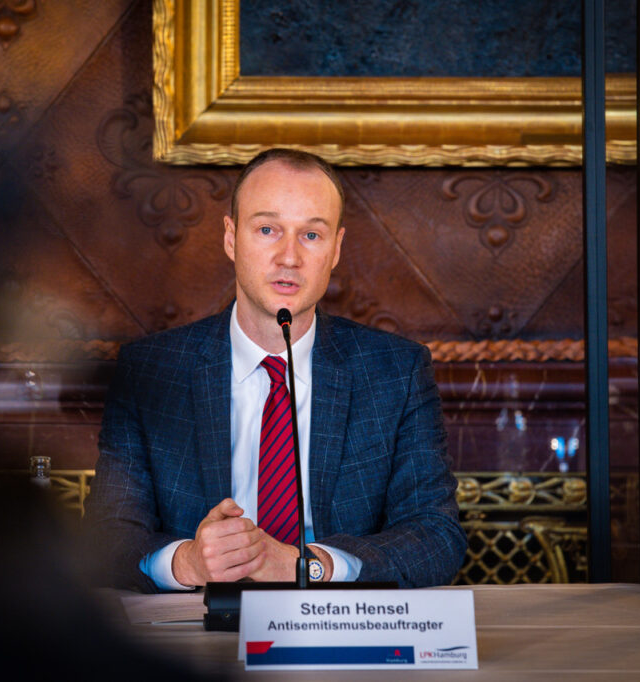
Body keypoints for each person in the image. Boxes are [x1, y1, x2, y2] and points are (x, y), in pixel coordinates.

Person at [84, 148, 465, 593]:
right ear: (231, 238)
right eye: (267, 229)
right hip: (198, 626)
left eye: (312, 235)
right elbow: (106, 538)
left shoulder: (396, 371)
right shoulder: (149, 371)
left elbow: (436, 536)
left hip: (336, 627)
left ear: (336, 248)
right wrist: (188, 562)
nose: (289, 257)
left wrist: (311, 566)